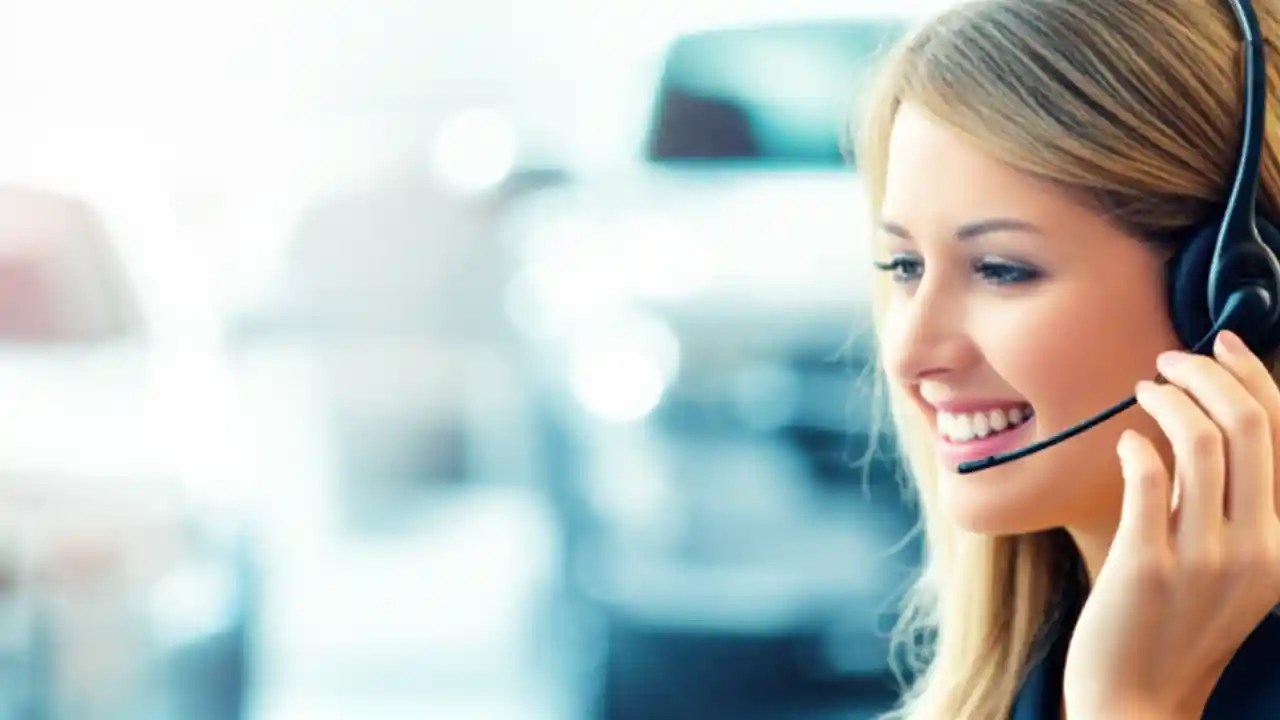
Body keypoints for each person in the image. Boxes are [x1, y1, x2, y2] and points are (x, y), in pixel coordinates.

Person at [853, 1, 1280, 718]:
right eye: (904, 265)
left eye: (999, 269)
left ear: (1231, 295)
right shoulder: (1022, 683)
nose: (909, 354)